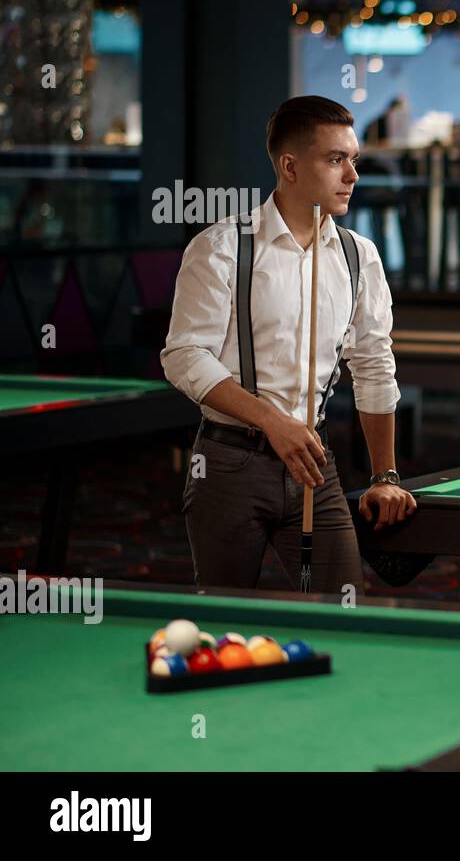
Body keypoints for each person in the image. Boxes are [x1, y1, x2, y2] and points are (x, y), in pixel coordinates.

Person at [161, 95, 416, 593]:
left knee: (343, 611)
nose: (352, 175)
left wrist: (386, 473)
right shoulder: (222, 247)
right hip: (230, 464)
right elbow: (184, 356)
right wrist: (271, 419)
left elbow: (373, 365)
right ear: (290, 166)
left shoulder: (357, 255)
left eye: (354, 159)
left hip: (315, 468)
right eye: (336, 159)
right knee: (225, 620)